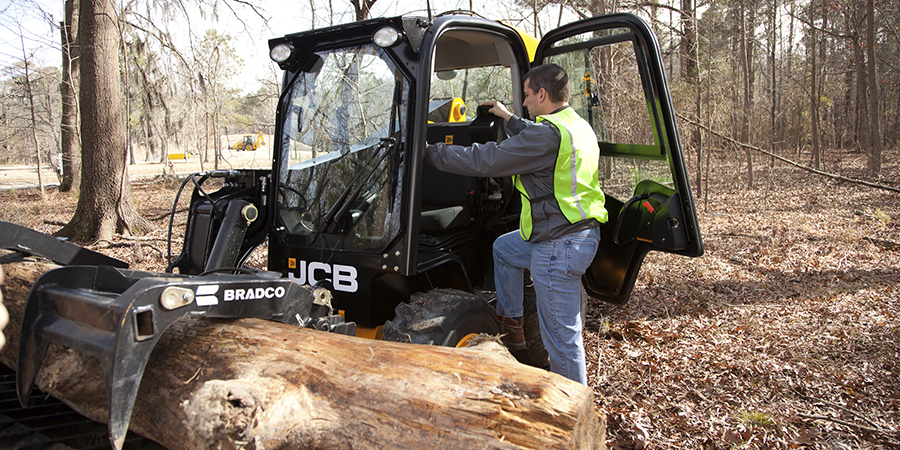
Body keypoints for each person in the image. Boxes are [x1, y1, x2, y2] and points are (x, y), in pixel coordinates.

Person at [424, 63, 607, 385]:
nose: (524, 102)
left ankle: (571, 409)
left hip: (558, 245)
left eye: (526, 96)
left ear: (542, 93)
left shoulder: (547, 134)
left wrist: (429, 153)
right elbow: (537, 136)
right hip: (578, 232)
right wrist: (507, 117)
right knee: (505, 249)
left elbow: (487, 159)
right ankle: (512, 326)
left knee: (562, 339)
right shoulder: (573, 125)